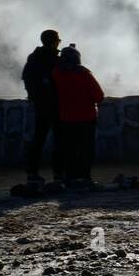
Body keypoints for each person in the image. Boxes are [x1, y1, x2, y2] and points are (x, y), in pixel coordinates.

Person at [52, 45, 104, 188]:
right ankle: (85, 176)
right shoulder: (84, 74)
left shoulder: (56, 74)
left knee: (69, 149)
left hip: (66, 118)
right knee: (86, 149)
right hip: (87, 117)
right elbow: (99, 96)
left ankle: (70, 176)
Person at [21, 29, 64, 182]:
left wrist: (34, 97)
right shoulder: (55, 59)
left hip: (40, 103)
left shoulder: (33, 58)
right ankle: (59, 173)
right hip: (56, 104)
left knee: (39, 139)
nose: (59, 42)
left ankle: (32, 172)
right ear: (54, 41)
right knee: (59, 141)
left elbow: (26, 77)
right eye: (58, 39)